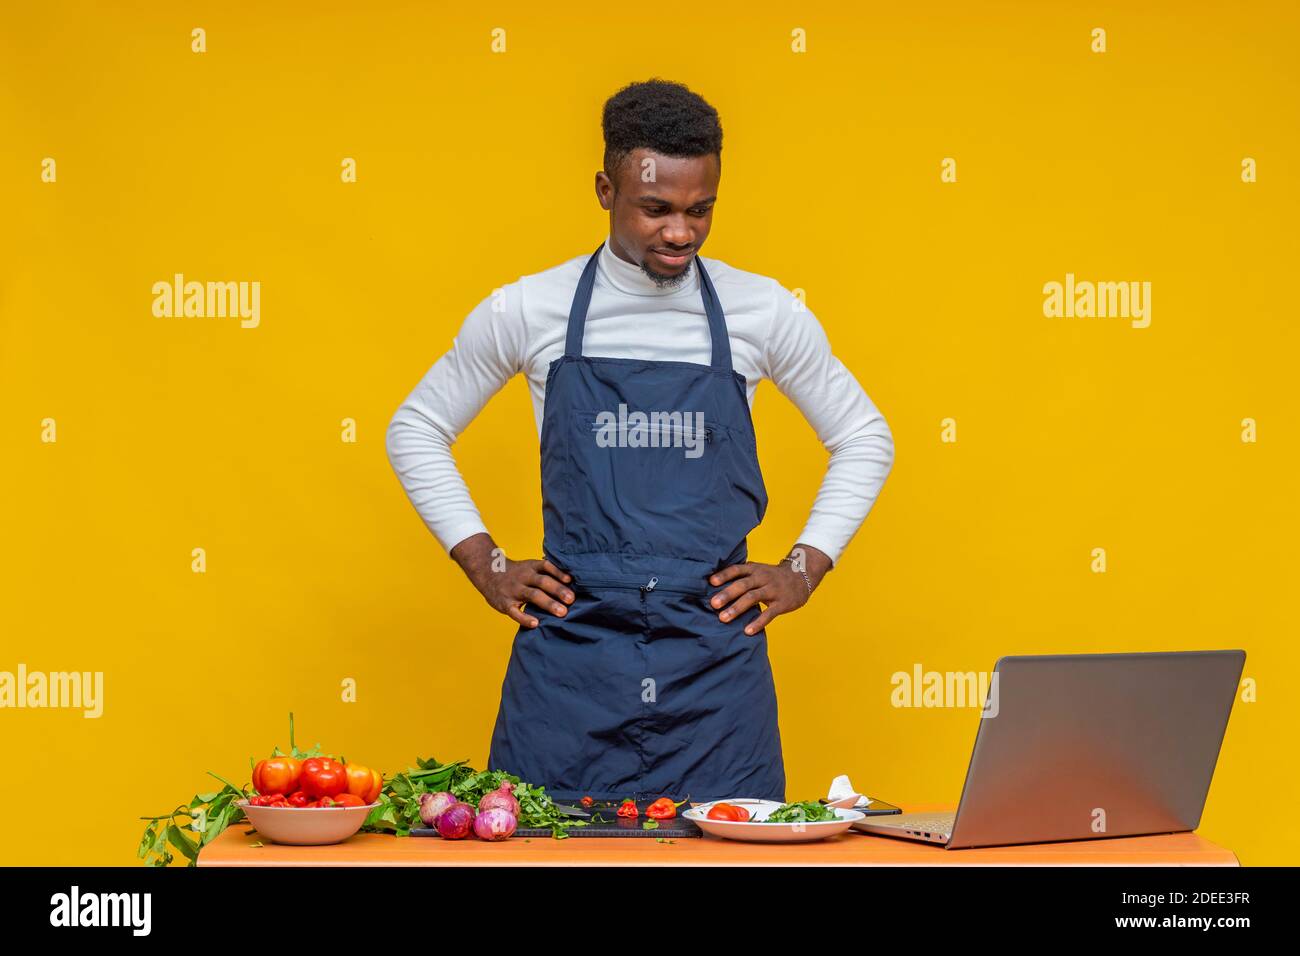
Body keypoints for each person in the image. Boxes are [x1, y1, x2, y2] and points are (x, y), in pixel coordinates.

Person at [386, 78, 894, 803]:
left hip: (714, 666)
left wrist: (803, 569)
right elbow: (417, 427)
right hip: (570, 663)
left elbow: (864, 434)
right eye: (656, 209)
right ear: (605, 188)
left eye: (701, 210)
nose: (680, 233)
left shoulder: (763, 311)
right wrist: (487, 564)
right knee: (544, 851)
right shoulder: (530, 307)